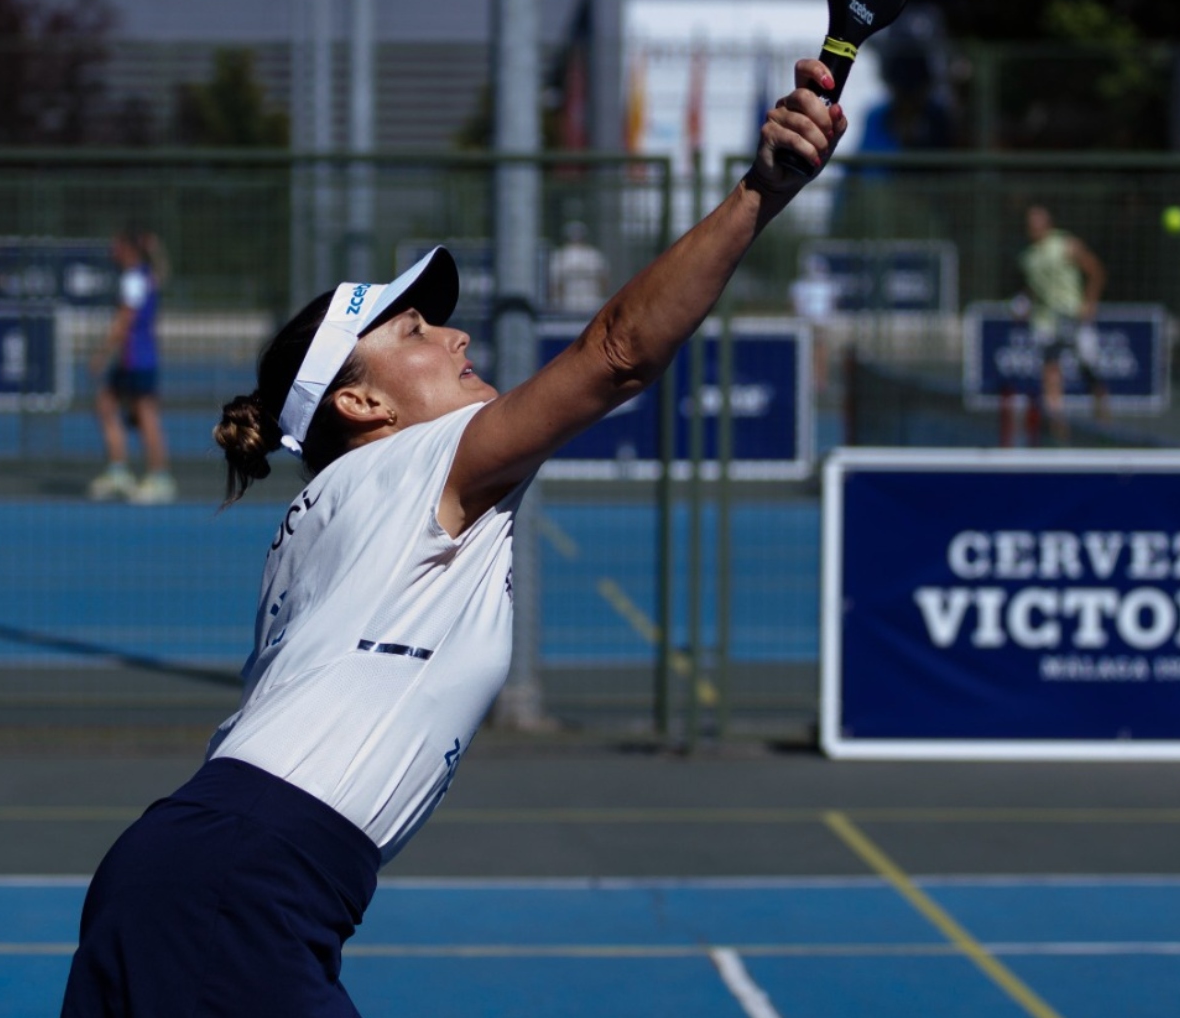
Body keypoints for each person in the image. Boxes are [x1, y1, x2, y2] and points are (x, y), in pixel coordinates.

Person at [60, 59, 848, 1017]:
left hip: (202, 874)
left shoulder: (337, 508)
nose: (457, 337)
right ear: (361, 401)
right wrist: (761, 192)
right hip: (241, 884)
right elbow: (618, 354)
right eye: (416, 331)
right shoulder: (413, 466)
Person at [88, 228, 173, 504]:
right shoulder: (147, 275)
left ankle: (159, 477)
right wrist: (156, 248)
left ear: (129, 249)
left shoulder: (133, 279)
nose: (113, 251)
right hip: (136, 359)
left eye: (117, 245)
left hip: (135, 359)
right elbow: (164, 272)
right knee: (106, 404)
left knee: (145, 413)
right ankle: (118, 470)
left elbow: (124, 321)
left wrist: (102, 353)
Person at [1019, 204, 1107, 443]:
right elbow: (1034, 290)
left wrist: (1090, 302)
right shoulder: (1028, 257)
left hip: (1072, 315)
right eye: (1030, 223)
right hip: (1046, 320)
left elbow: (1095, 270)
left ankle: (1102, 418)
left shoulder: (1066, 245)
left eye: (1037, 222)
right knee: (1050, 367)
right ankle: (1058, 423)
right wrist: (1024, 304)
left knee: (1089, 367)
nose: (1033, 228)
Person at [545, 220, 609, 315]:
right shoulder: (560, 256)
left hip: (591, 302)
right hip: (568, 304)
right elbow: (555, 284)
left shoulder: (593, 255)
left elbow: (603, 280)